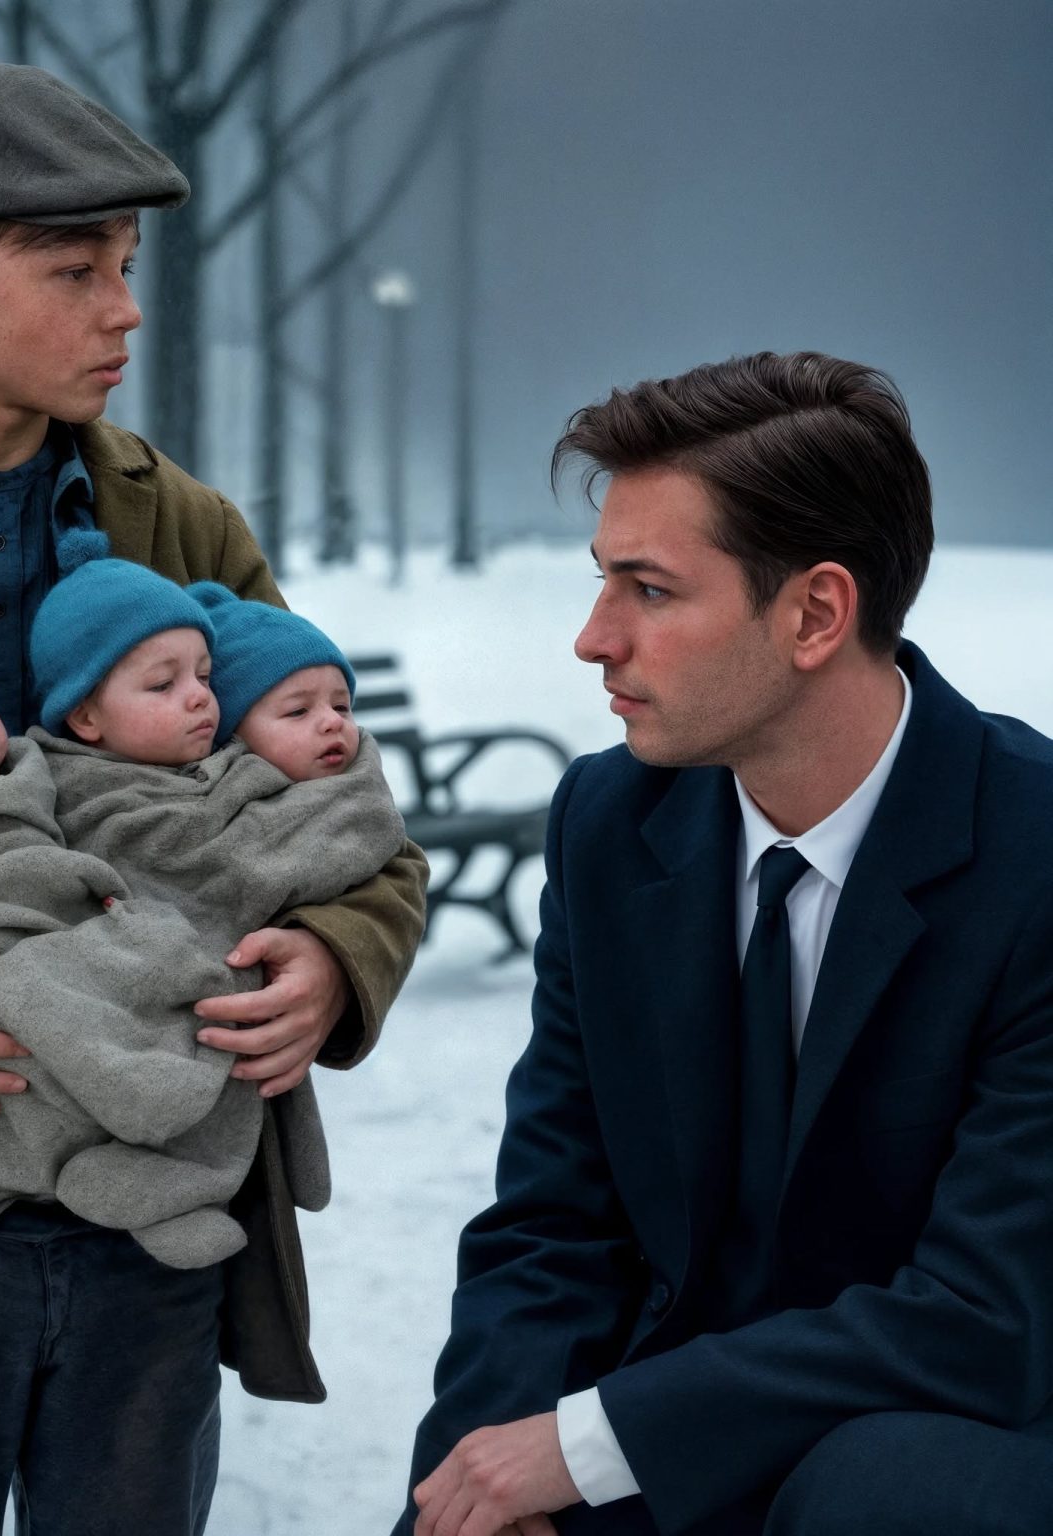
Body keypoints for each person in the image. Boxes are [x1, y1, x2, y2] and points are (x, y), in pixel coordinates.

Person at [0, 55, 427, 1536]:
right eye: (76, 272)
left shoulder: (185, 527)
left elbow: (341, 795)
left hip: (160, 1210)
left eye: (127, 265)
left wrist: (336, 955)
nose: (125, 309)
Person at [397, 351, 1053, 1536]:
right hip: (671, 1423)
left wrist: (590, 1442)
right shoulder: (611, 822)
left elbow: (982, 1316)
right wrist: (486, 1468)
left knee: (882, 1498)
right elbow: (552, 1219)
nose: (592, 639)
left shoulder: (1033, 854)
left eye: (648, 591)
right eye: (600, 581)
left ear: (812, 615)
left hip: (942, 1436)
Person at [0, 576, 404, 1272]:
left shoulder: (37, 787)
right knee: (47, 998)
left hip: (76, 987)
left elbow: (358, 833)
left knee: (200, 999)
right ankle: (127, 1164)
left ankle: (152, 1169)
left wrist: (338, 952)